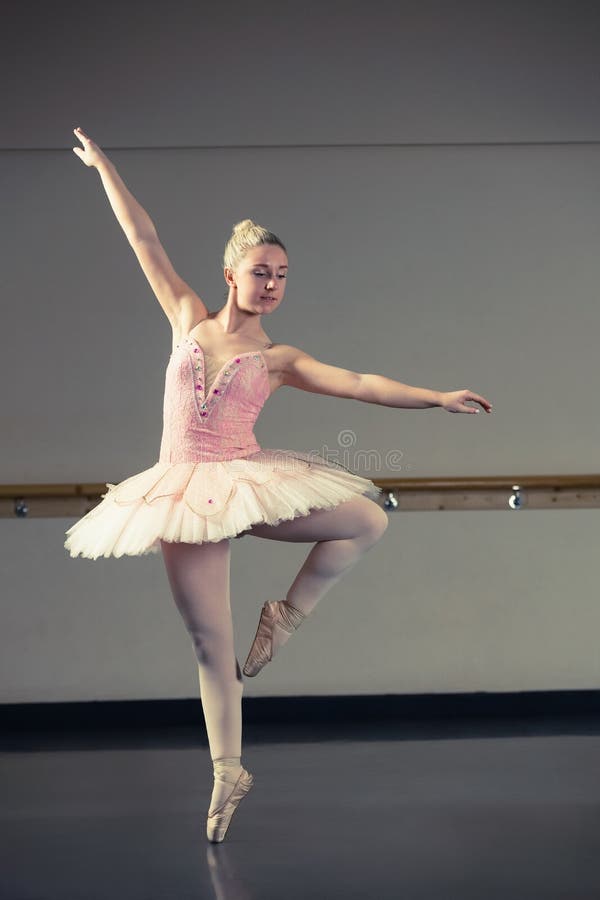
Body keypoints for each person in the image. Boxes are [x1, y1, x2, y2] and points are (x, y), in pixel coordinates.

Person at [65, 126, 492, 843]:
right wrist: (104, 167)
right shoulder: (186, 319)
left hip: (246, 479)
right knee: (209, 641)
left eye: (284, 274)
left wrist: (435, 396)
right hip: (179, 491)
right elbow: (143, 238)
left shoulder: (279, 357)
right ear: (231, 273)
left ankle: (287, 616)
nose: (273, 284)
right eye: (262, 271)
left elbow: (359, 384)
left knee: (368, 519)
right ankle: (228, 768)